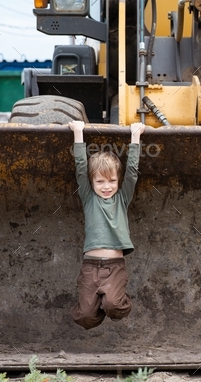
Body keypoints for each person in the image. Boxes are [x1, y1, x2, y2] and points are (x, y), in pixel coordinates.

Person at [69, 120, 145, 329]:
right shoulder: (88, 197)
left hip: (114, 267)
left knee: (114, 305)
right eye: (100, 182)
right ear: (92, 183)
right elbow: (81, 167)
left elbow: (132, 172)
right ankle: (96, 304)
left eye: (111, 181)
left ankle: (109, 300)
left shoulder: (122, 198)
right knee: (84, 317)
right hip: (90, 267)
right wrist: (78, 133)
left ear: (118, 182)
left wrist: (135, 137)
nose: (106, 186)